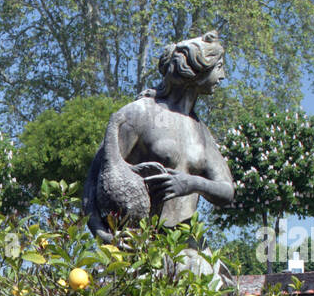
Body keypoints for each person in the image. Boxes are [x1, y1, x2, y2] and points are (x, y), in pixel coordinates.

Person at [84, 32, 234, 244]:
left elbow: (227, 191)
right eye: (219, 67)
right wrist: (104, 236)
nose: (224, 75)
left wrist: (190, 183)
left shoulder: (201, 132)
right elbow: (91, 186)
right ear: (198, 69)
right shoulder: (139, 114)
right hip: (139, 244)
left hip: (185, 243)